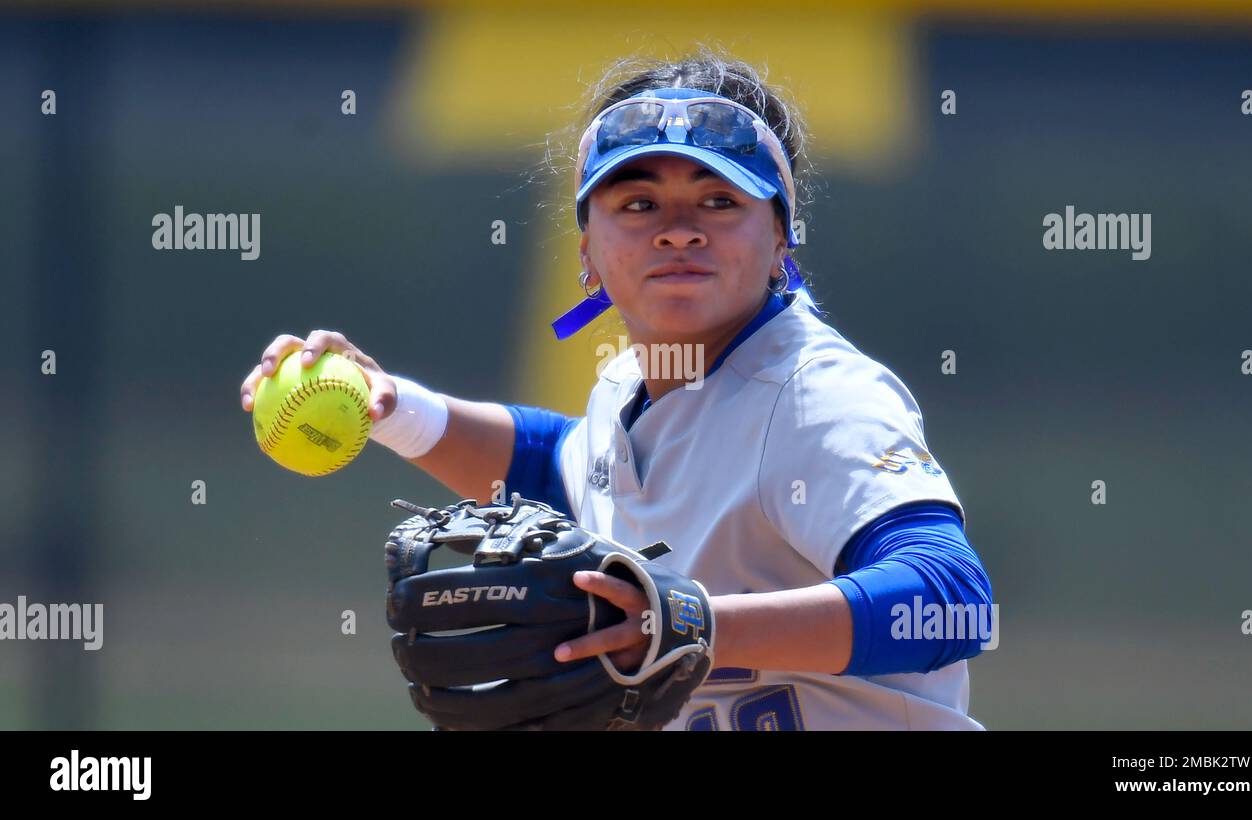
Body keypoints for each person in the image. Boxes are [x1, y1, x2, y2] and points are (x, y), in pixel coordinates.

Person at [239, 49, 994, 730]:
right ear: (588, 256)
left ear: (779, 242)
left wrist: (696, 623)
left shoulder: (816, 399)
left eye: (720, 200)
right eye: (637, 204)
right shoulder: (632, 388)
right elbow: (562, 465)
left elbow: (953, 604)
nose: (677, 230)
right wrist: (395, 406)